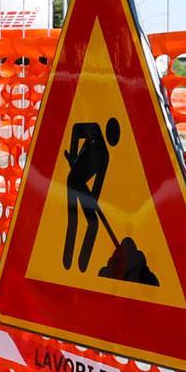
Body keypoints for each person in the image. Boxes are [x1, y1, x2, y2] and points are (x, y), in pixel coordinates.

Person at [62, 117, 117, 274]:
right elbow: (75, 130)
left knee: (93, 223)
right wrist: (73, 155)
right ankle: (67, 262)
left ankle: (82, 266)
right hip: (72, 182)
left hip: (81, 187)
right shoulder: (95, 130)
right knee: (73, 220)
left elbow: (97, 188)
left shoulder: (105, 156)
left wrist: (92, 199)